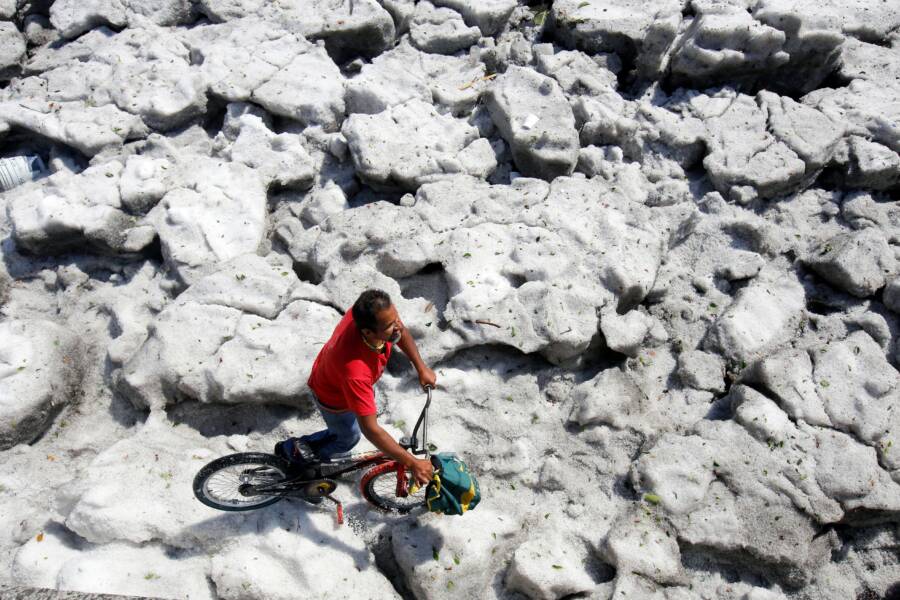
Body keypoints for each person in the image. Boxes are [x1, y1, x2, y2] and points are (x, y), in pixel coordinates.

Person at [278, 289, 436, 486]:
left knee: (346, 429)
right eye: (389, 325)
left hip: (337, 376)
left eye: (396, 318)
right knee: (347, 437)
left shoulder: (372, 316)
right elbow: (371, 430)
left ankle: (309, 449)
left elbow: (400, 331)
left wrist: (421, 367)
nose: (397, 326)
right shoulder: (355, 372)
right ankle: (301, 462)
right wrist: (412, 462)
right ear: (368, 332)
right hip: (333, 396)